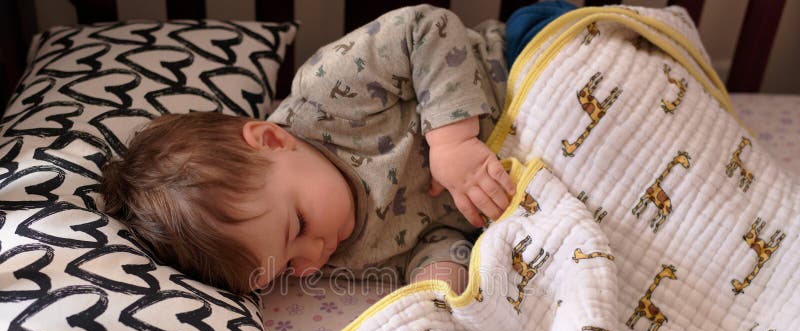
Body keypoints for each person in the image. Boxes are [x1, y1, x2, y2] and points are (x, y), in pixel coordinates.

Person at [102, 5, 515, 296]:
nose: (311, 260)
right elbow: (435, 236)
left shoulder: (328, 93)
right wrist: (436, 278)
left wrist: (451, 141)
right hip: (520, 171)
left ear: (272, 141)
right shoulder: (340, 256)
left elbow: (427, 27)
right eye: (285, 269)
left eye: (298, 226)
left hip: (516, 64)